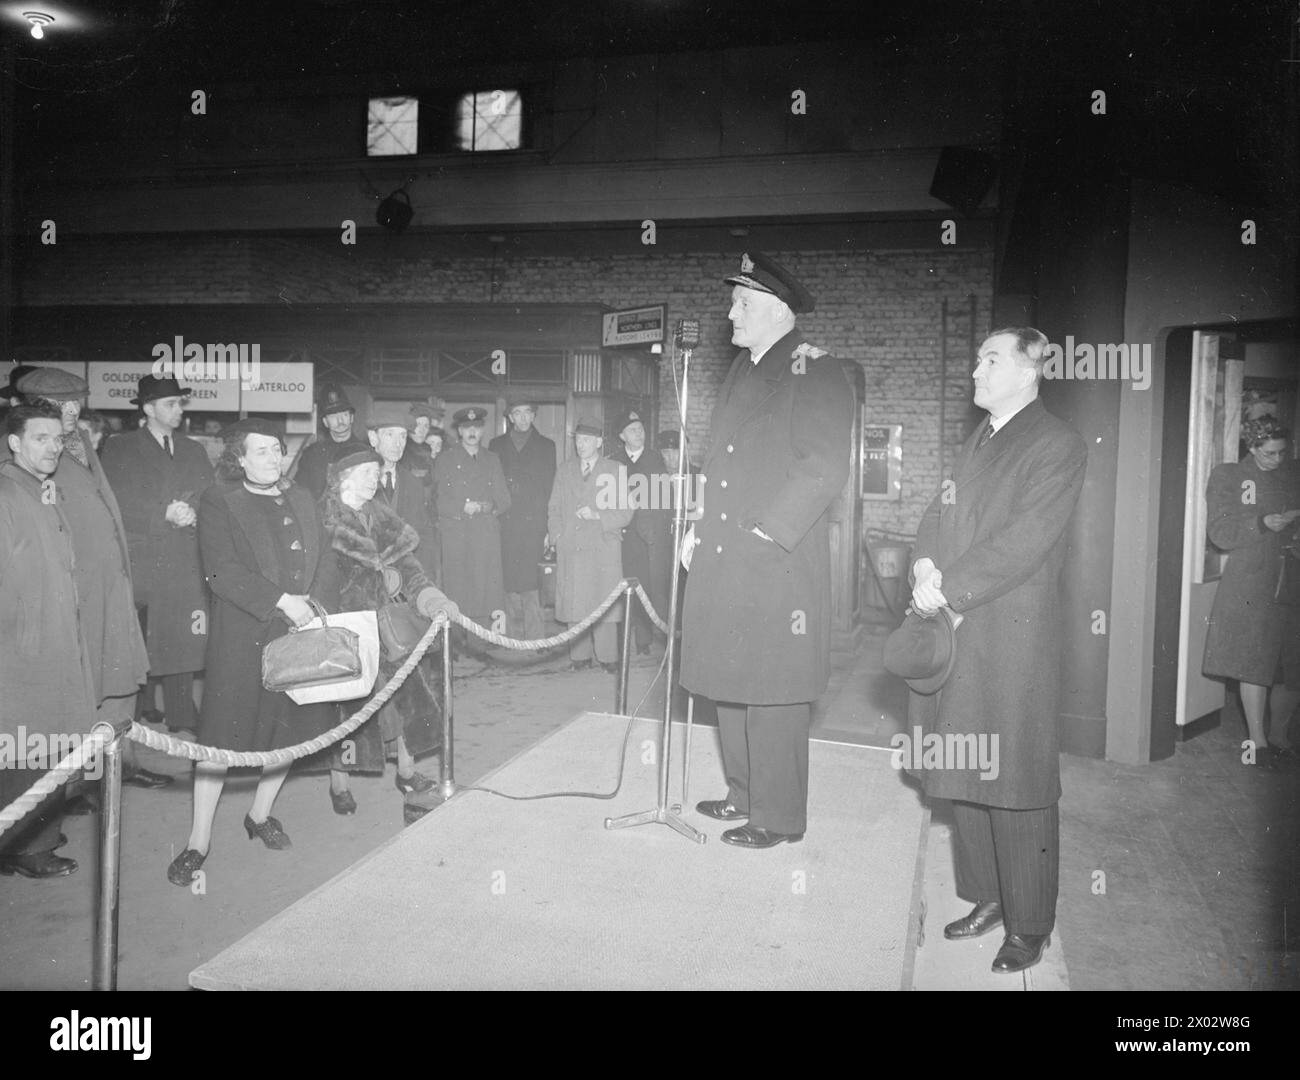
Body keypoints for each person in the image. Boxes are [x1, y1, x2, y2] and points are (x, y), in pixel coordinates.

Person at [907, 326, 1087, 975]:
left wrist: (948, 588)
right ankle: (986, 895)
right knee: (965, 765)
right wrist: (926, 563)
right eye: (977, 356)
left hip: (1012, 637)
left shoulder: (1056, 443)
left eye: (990, 359)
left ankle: (1030, 922)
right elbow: (937, 511)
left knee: (1018, 778)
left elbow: (1027, 537)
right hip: (958, 628)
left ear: (1030, 369)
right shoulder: (979, 440)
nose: (975, 370)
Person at [680, 252, 853, 851]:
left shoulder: (817, 370)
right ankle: (744, 791)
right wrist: (699, 523)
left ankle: (777, 817)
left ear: (778, 310)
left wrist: (767, 531)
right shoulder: (743, 368)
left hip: (776, 558)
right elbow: (721, 462)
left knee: (773, 685)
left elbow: (824, 466)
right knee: (730, 676)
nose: (731, 312)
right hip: (726, 550)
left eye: (742, 302)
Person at [166, 418, 339, 886]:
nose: (271, 459)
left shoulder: (301, 497)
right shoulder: (220, 499)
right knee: (221, 739)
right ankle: (198, 840)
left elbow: (325, 558)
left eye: (277, 450)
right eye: (259, 451)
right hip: (242, 636)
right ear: (239, 458)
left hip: (297, 631)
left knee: (287, 732)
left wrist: (312, 605)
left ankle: (260, 815)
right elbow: (220, 571)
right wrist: (283, 602)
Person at [9, 369, 169, 804]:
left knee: (117, 683)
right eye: (61, 405)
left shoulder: (76, 441)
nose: (72, 412)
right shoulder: (26, 456)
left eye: (77, 402)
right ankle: (73, 788)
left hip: (109, 588)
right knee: (80, 691)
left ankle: (117, 768)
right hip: (75, 594)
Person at [317, 450, 458, 821]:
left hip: (390, 628)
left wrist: (432, 598)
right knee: (350, 713)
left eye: (376, 473)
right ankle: (339, 783)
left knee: (405, 702)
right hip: (347, 630)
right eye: (365, 472)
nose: (373, 479)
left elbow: (411, 570)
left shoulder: (382, 517)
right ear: (342, 476)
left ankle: (407, 775)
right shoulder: (322, 520)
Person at [0, 405, 101, 877]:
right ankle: (25, 849)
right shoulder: (4, 491)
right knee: (25, 746)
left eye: (58, 439)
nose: (52, 447)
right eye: (39, 438)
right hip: (21, 646)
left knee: (48, 743)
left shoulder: (40, 488)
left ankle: (34, 832)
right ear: (14, 442)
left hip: (55, 638)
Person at [101, 375, 214, 738]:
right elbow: (115, 499)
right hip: (144, 558)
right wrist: (162, 513)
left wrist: (192, 511)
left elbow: (207, 492)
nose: (179, 410)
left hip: (183, 557)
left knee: (181, 637)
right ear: (148, 409)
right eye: (171, 404)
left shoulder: (194, 450)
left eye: (180, 403)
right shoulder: (120, 448)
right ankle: (138, 710)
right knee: (144, 637)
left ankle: (181, 714)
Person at [1203, 416, 1300, 767]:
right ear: (1253, 447)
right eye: (1270, 453)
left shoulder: (1291, 473)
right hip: (1252, 582)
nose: (1277, 459)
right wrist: (1260, 523)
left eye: (1282, 452)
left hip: (1290, 576)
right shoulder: (1229, 476)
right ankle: (1256, 745)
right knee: (1253, 662)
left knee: (1290, 662)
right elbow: (1220, 532)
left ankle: (1280, 737)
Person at [548, 418, 632, 672]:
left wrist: (598, 515)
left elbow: (627, 512)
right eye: (577, 440)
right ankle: (579, 656)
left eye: (586, 440)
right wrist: (556, 538)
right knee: (575, 604)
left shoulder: (615, 470)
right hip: (571, 547)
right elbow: (553, 508)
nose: (580, 445)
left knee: (603, 604)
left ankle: (608, 657)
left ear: (598, 442)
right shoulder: (564, 470)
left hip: (602, 548)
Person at [432, 407, 511, 632]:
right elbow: (436, 502)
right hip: (458, 535)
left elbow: (505, 499)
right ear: (459, 431)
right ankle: (455, 645)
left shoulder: (492, 459)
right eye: (467, 428)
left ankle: (485, 642)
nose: (472, 432)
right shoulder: (445, 460)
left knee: (486, 592)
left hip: (485, 534)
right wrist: (462, 507)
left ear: (483, 430)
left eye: (476, 427)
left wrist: (489, 506)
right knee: (459, 590)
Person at [489, 398, 556, 642]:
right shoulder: (496, 445)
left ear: (534, 415)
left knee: (532, 584)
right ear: (510, 417)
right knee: (506, 583)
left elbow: (550, 489)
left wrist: (548, 527)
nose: (523, 418)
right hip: (504, 525)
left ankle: (536, 638)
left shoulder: (547, 446)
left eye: (528, 412)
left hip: (533, 526)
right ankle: (510, 639)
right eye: (518, 413)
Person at [610, 409, 672, 654]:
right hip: (623, 535)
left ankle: (646, 641)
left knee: (649, 586)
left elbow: (663, 498)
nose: (639, 434)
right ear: (622, 436)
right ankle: (625, 639)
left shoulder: (655, 459)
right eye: (633, 430)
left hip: (649, 535)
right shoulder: (614, 461)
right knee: (625, 586)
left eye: (641, 429)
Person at [369, 418, 438, 568]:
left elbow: (424, 537)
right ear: (373, 438)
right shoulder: (357, 481)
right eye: (389, 435)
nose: (398, 443)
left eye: (402, 436)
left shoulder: (413, 483)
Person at [292, 386, 370, 500]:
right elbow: (300, 493)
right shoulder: (312, 455)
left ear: (351, 417)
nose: (340, 421)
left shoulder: (366, 453)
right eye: (333, 416)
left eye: (344, 414)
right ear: (325, 422)